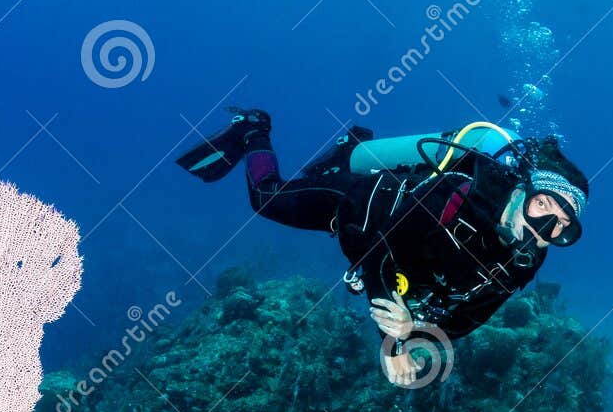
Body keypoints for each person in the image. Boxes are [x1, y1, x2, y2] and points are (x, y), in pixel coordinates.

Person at [177, 110, 589, 384]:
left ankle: (348, 147)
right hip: (356, 206)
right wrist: (392, 344)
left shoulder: (525, 258)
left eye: (561, 228)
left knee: (317, 173)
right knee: (267, 198)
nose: (542, 230)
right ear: (523, 191)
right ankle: (253, 129)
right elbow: (375, 249)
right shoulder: (455, 196)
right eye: (542, 208)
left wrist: (419, 332)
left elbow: (471, 316)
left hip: (392, 258)